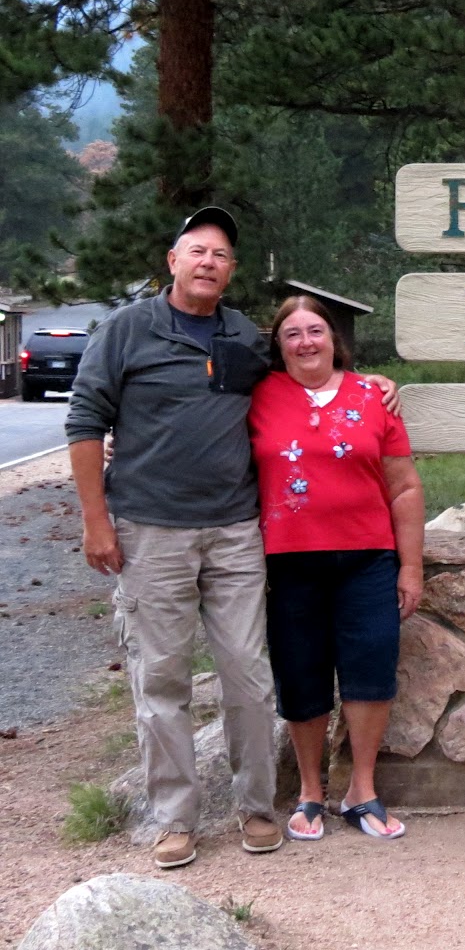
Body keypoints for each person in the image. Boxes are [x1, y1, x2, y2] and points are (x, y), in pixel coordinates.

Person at [68, 208, 282, 869]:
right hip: (150, 530)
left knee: (247, 675)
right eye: (197, 250)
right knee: (161, 680)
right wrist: (95, 520)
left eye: (220, 254)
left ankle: (256, 807)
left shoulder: (245, 334)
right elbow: (84, 420)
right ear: (173, 261)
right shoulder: (127, 330)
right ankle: (174, 820)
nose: (209, 261)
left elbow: (300, 389)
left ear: (231, 270)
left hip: (234, 530)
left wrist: (374, 386)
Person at [249, 295, 424, 842]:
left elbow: (404, 486)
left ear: (334, 338)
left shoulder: (374, 395)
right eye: (293, 333)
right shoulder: (256, 396)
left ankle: (361, 791)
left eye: (315, 330)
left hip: (368, 559)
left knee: (370, 669)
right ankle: (309, 793)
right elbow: (194, 428)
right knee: (301, 677)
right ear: (278, 346)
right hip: (289, 561)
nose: (306, 341)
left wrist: (410, 566)